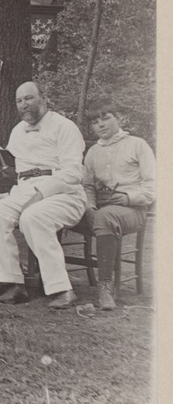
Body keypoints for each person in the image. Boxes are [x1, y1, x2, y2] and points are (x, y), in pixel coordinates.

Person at [0, 81, 87, 309]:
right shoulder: (17, 131)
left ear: (44, 98)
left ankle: (62, 289)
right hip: (25, 190)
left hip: (64, 193)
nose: (24, 105)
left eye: (29, 98)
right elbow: (19, 166)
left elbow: (72, 173)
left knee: (33, 216)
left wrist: (40, 194)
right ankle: (14, 284)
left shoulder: (64, 126)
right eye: (19, 101)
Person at [75, 100, 155, 310]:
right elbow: (87, 186)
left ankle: (105, 287)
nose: (100, 125)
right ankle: (53, 283)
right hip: (101, 211)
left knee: (106, 217)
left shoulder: (138, 145)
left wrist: (128, 197)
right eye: (95, 122)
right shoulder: (92, 152)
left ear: (119, 118)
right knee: (58, 212)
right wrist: (90, 207)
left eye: (105, 118)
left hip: (133, 210)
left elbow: (153, 186)